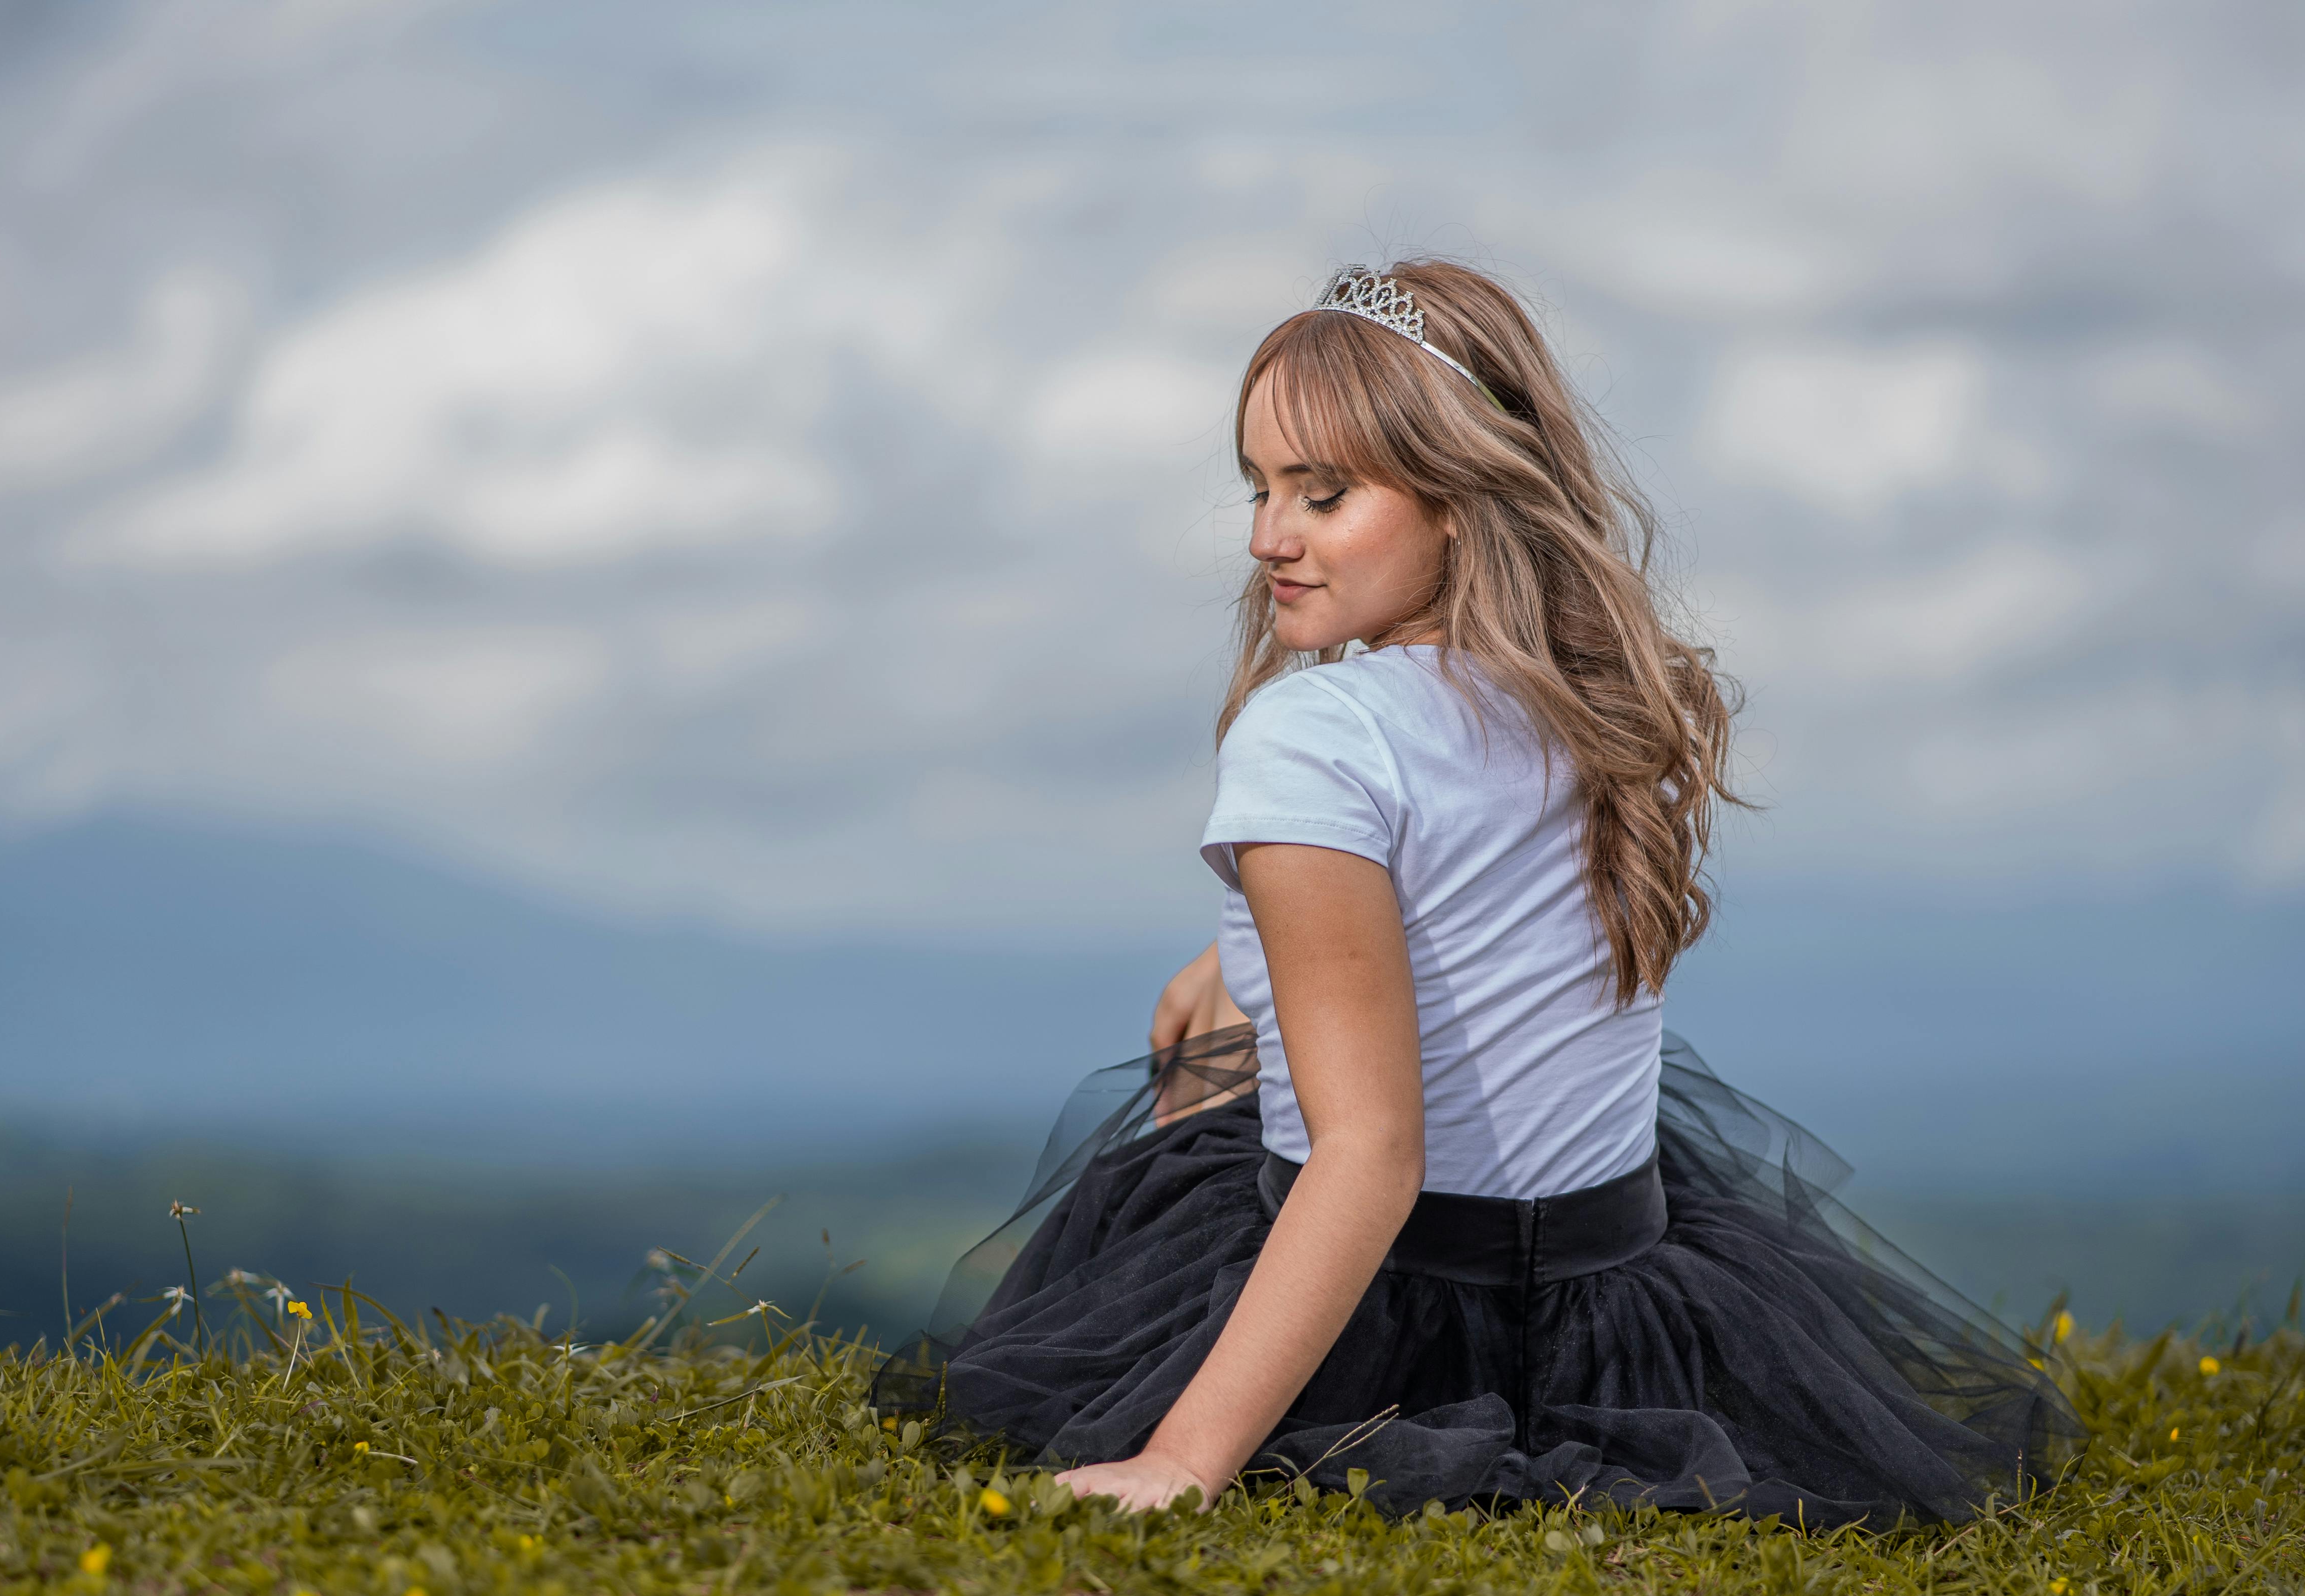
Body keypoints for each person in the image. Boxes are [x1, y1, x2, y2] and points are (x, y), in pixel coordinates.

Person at [878, 258, 2077, 1523]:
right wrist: (1232, 967)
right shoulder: (1594, 698)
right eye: (1260, 486)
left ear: (1459, 499)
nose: (1265, 537)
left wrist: (1180, 1459)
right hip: (1613, 1305)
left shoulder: (1315, 737)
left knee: (1237, 1126)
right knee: (1218, 994)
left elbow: (1373, 1153)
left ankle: (1219, 1358)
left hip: (1394, 1318)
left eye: (1323, 495)